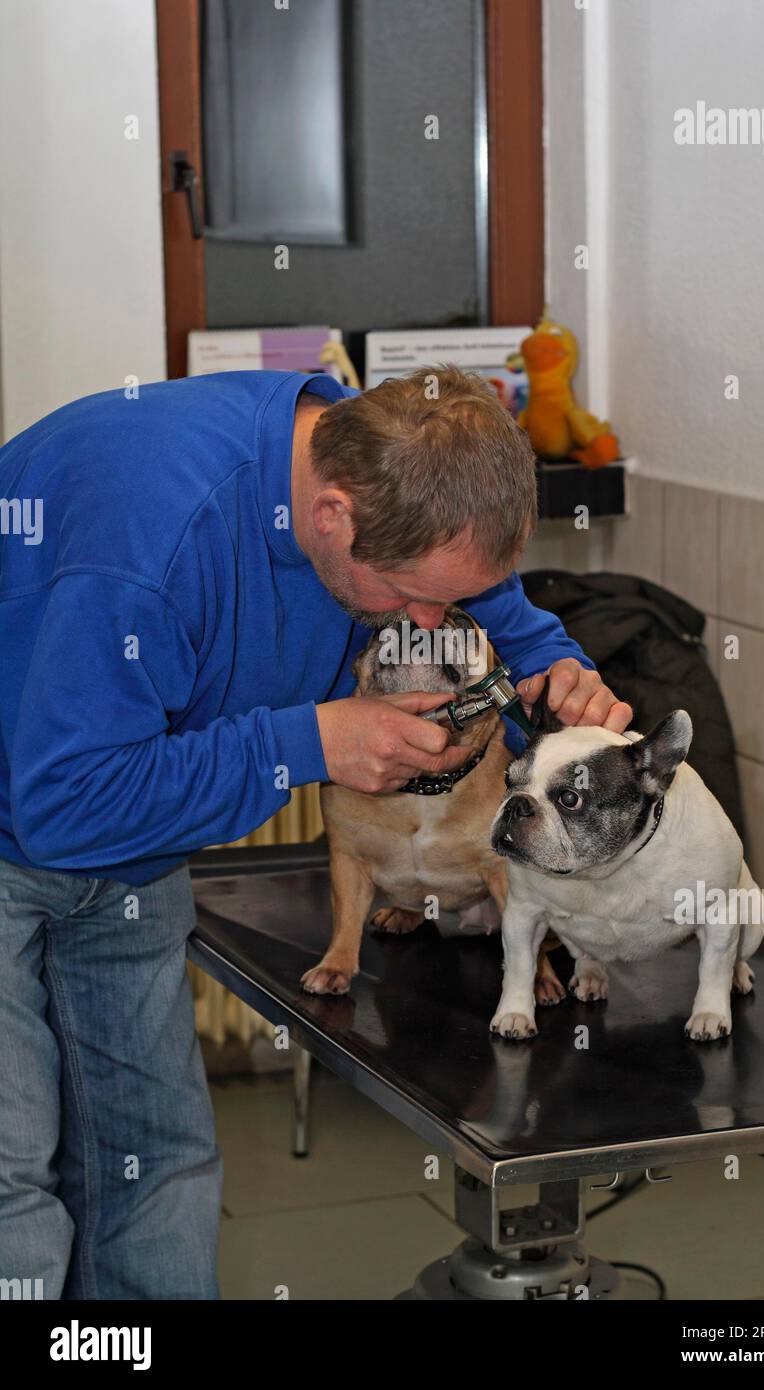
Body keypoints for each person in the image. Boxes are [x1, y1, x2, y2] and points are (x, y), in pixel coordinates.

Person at [0, 364, 631, 1299]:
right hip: (36, 810)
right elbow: (62, 801)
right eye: (413, 600)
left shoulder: (379, 460)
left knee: (155, 1163)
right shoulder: (151, 544)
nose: (427, 629)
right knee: (12, 1187)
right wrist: (308, 741)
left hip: (132, 840)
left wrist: (554, 667)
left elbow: (490, 606)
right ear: (332, 518)